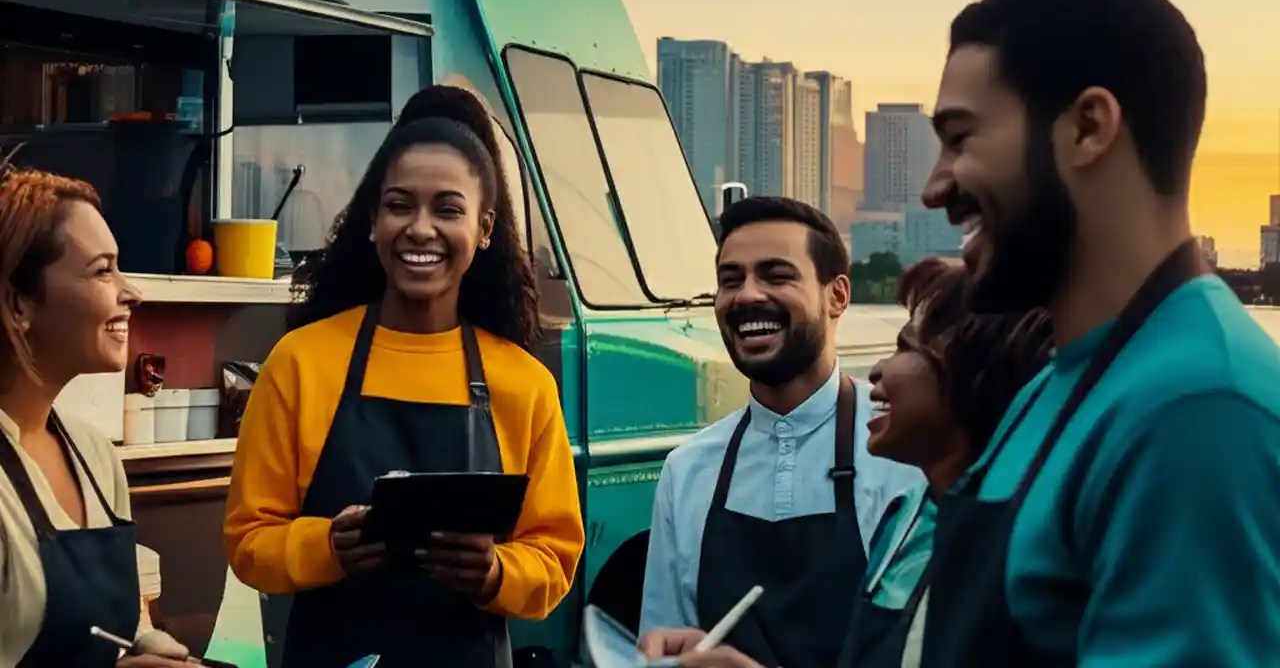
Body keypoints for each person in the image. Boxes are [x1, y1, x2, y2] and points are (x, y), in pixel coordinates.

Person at [915, 0, 1280, 666]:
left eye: (960, 139)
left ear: (1087, 128)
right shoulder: (1061, 383)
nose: (935, 187)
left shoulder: (1198, 410)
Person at [222, 112, 585, 666]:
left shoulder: (525, 384)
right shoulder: (300, 363)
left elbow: (554, 559)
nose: (420, 228)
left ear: (485, 229)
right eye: (399, 205)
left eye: (448, 209)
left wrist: (494, 572)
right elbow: (249, 539)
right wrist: (327, 547)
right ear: (373, 221)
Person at [638, 258, 1053, 668]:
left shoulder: (1017, 548)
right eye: (729, 279)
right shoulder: (909, 517)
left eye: (905, 347)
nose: (879, 370)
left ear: (971, 375)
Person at [638, 196, 922, 668]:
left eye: (776, 275)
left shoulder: (901, 453)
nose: (747, 296)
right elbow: (662, 643)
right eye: (731, 280)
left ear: (837, 296)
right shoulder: (688, 470)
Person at [0, 159, 190, 667]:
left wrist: (151, 646)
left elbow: (116, 628)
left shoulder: (95, 455)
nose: (132, 292)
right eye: (102, 270)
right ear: (18, 304)